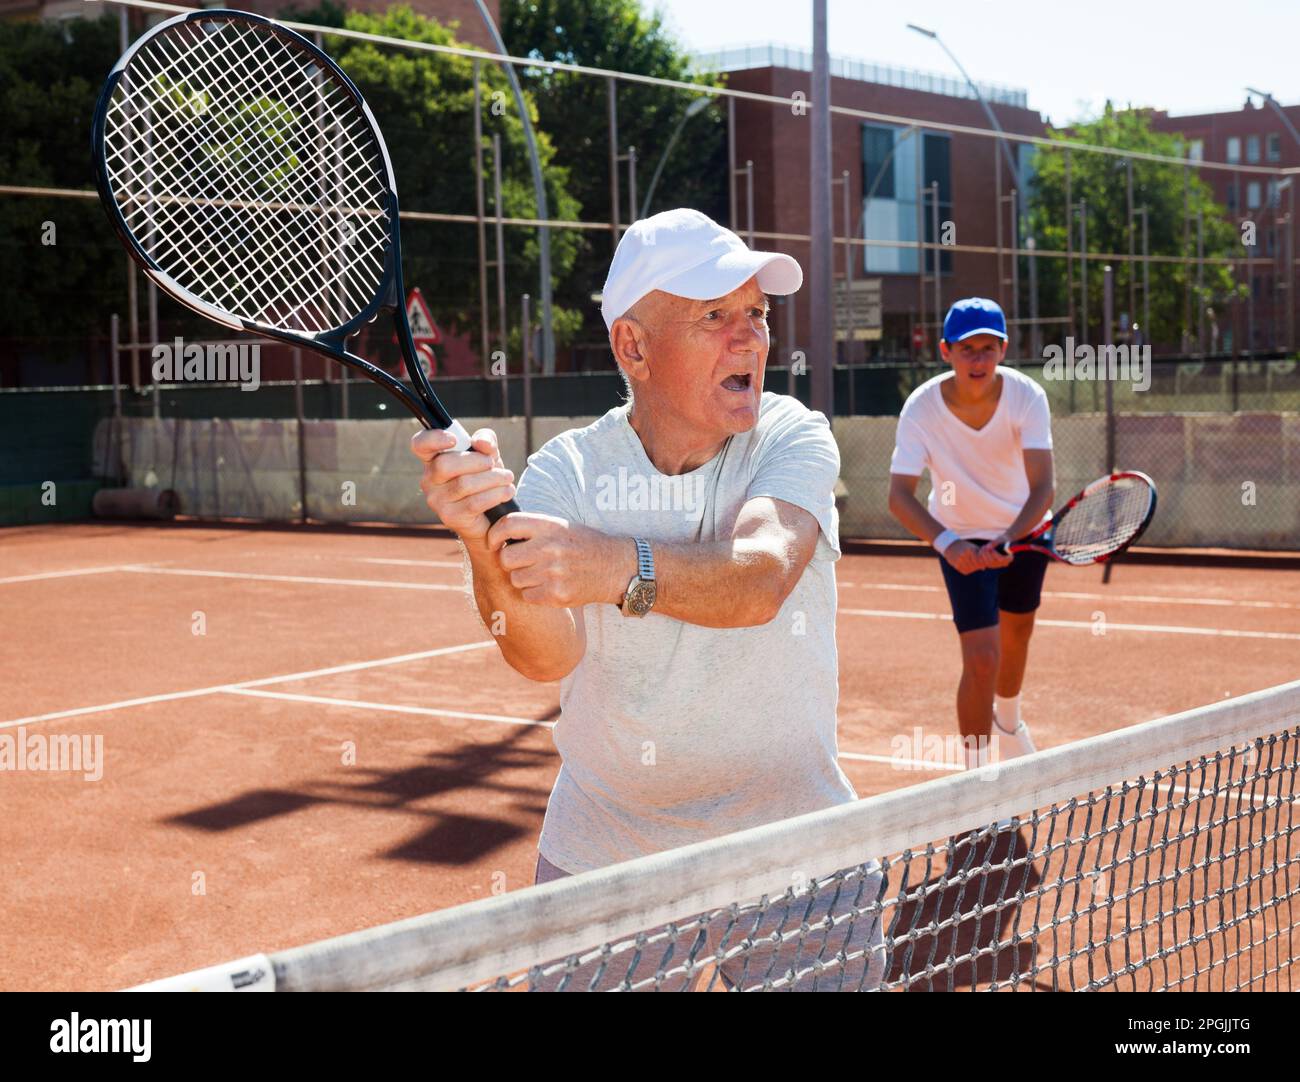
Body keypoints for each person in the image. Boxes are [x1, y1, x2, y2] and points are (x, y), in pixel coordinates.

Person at [411, 208, 883, 990]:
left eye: (757, 315)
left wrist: (610, 566)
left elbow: (758, 578)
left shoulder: (791, 435)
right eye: (714, 317)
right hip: (606, 869)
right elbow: (544, 654)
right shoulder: (567, 471)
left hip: (801, 863)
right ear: (633, 345)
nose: (751, 339)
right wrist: (478, 538)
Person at [887, 298, 1056, 771]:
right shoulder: (921, 409)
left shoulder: (1027, 397)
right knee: (983, 656)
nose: (978, 359)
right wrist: (950, 545)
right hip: (958, 536)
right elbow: (899, 496)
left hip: (1023, 533)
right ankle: (976, 780)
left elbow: (1043, 485)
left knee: (1016, 639)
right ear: (945, 351)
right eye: (967, 349)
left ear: (1004, 349)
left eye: (988, 348)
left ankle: (1010, 722)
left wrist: (1009, 541)